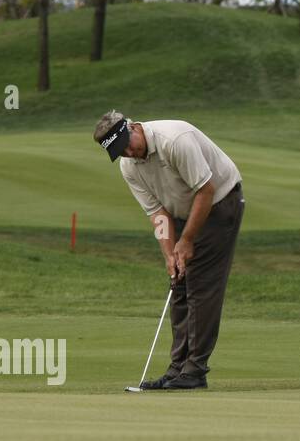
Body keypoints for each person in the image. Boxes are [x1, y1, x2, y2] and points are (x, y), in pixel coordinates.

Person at [93, 111, 245, 390]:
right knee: (179, 284)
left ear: (133, 127)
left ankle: (195, 370)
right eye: (121, 151)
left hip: (220, 204)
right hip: (181, 212)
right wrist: (170, 254)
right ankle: (177, 369)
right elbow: (158, 214)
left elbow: (206, 191)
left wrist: (186, 241)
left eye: (128, 143)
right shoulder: (129, 165)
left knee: (200, 284)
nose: (129, 152)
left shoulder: (175, 140)